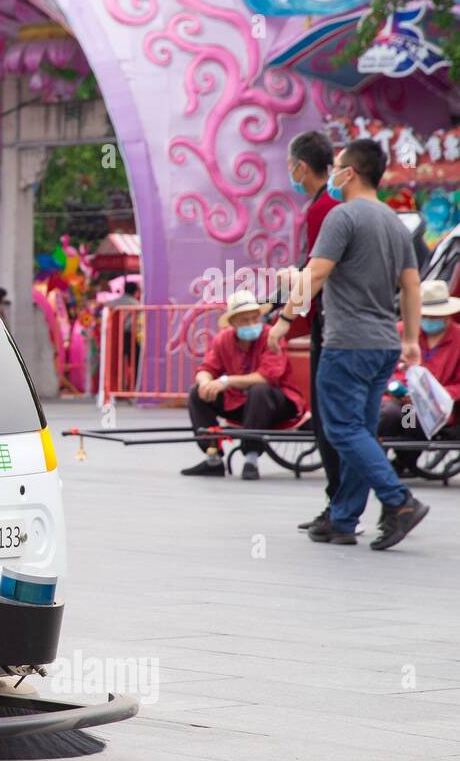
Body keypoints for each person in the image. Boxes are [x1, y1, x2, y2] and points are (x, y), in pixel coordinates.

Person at [278, 138, 427, 550]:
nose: (334, 171)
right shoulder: (396, 222)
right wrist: (410, 338)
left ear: (352, 172)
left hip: (347, 343)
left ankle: (399, 501)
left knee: (341, 428)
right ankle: (343, 518)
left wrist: (285, 319)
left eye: (339, 165)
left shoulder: (342, 218)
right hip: (383, 343)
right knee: (360, 431)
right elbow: (412, 285)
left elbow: (316, 274)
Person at [273, 130, 341, 529]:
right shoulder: (327, 206)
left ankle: (345, 505)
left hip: (328, 325)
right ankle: (340, 505)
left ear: (300, 166)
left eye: (290, 166)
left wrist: (285, 321)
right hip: (330, 321)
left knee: (330, 421)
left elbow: (315, 277)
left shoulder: (322, 210)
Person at [181, 290, 305, 480]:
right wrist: (205, 382)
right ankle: (212, 457)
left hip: (277, 402)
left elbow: (267, 377)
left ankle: (251, 458)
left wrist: (226, 381)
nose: (251, 324)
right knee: (197, 392)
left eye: (254, 319)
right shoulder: (223, 339)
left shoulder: (271, 336)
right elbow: (207, 367)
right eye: (244, 320)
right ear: (233, 323)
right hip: (239, 402)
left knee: (259, 390)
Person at [378, 279, 460, 473]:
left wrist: (437, 394)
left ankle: (403, 461)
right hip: (400, 401)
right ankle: (378, 464)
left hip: (437, 409)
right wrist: (398, 388)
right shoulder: (400, 332)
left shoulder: (457, 339)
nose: (429, 320)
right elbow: (382, 369)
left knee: (412, 420)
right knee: (389, 415)